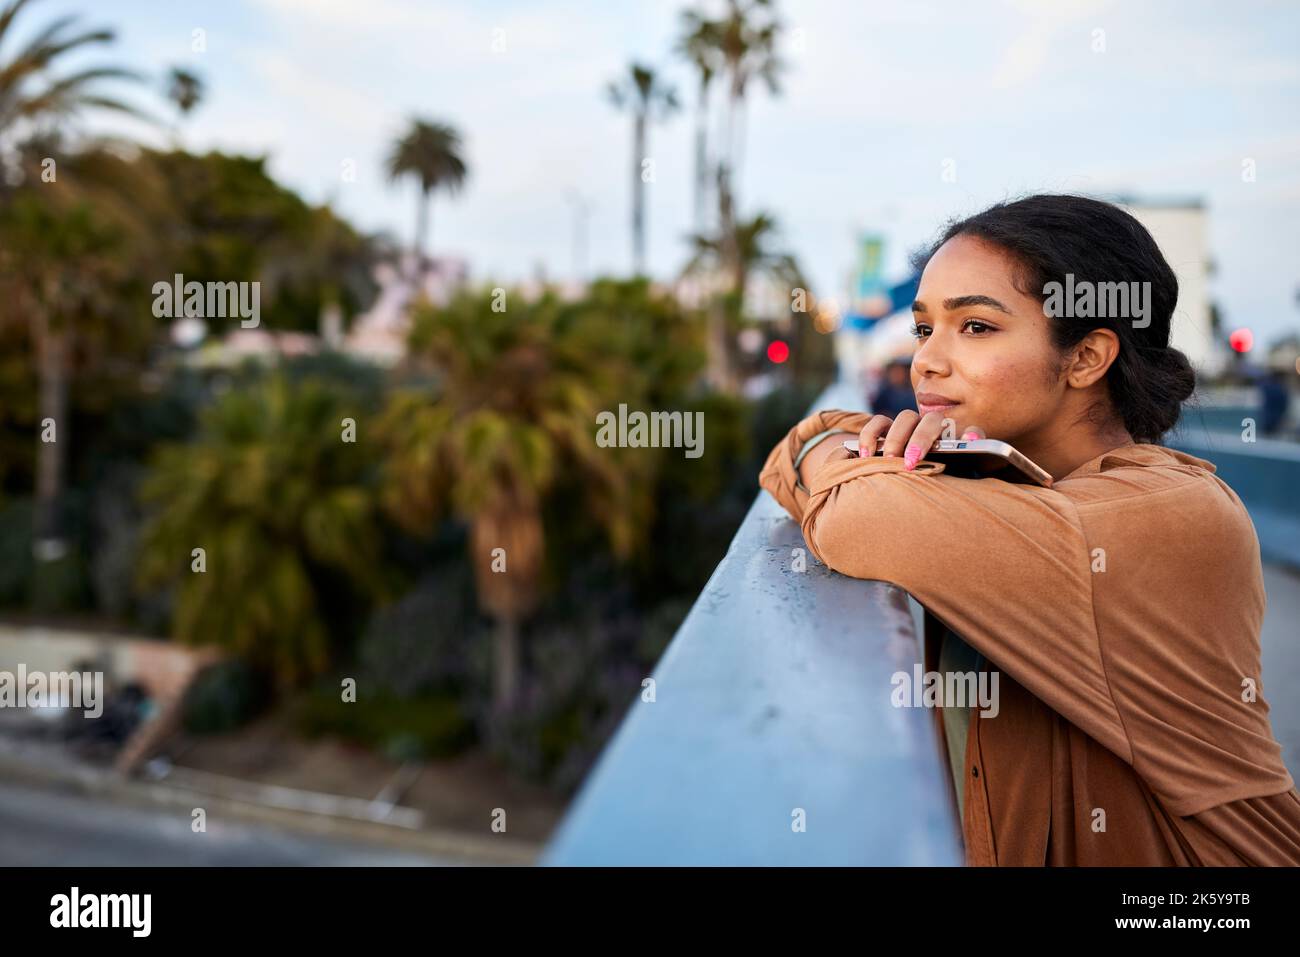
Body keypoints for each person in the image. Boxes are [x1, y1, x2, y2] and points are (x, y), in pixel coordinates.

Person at [759, 194, 1300, 865]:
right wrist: (841, 448)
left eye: (977, 327)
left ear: (1087, 358)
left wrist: (830, 442)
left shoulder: (1149, 515)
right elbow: (802, 462)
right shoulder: (1015, 489)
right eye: (924, 327)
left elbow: (852, 511)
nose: (926, 359)